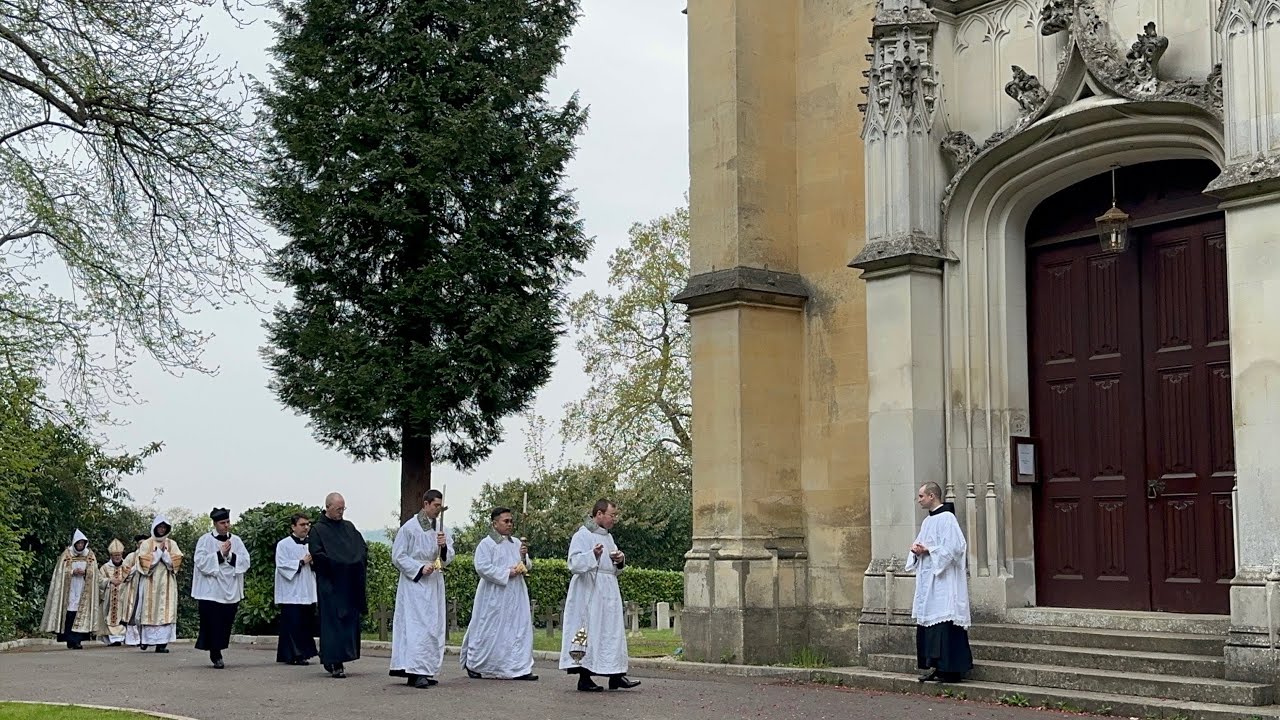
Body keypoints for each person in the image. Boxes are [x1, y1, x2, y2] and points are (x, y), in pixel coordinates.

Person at [559, 499, 640, 692]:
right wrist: (592, 555)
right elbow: (574, 563)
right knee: (590, 631)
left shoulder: (608, 537)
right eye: (612, 515)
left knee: (611, 632)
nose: (614, 519)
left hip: (608, 590)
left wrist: (619, 560)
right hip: (589, 591)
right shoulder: (582, 535)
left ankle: (616, 675)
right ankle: (584, 679)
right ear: (599, 514)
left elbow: (613, 568)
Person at [459, 507, 537, 681]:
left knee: (517, 628)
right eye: (506, 521)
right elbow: (482, 567)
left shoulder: (516, 543)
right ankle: (478, 664)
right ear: (495, 523)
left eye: (511, 521)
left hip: (515, 593)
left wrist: (524, 559)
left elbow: (527, 565)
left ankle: (517, 667)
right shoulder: (486, 544)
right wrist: (506, 572)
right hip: (494, 593)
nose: (510, 524)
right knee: (489, 628)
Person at [908, 481, 973, 683]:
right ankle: (937, 666)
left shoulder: (947, 519)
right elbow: (923, 543)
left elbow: (956, 548)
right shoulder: (928, 521)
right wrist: (916, 549)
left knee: (945, 622)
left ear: (932, 496)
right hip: (930, 580)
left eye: (921, 496)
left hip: (944, 581)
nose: (919, 500)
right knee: (930, 621)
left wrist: (929, 550)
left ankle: (951, 669)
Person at [390, 489, 454, 689]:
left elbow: (449, 556)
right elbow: (398, 555)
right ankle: (415, 671)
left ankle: (426, 669)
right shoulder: (409, 528)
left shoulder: (442, 530)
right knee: (417, 626)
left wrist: (443, 547)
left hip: (434, 582)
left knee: (433, 626)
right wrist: (418, 567)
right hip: (415, 584)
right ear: (425, 504)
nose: (438, 510)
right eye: (436, 506)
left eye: (440, 507)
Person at [309, 492, 368, 679]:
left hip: (349, 583)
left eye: (343, 509)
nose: (341, 512)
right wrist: (340, 565)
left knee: (348, 621)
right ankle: (333, 661)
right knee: (333, 622)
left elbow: (361, 548)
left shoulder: (349, 527)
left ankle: (345, 655)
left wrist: (355, 563)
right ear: (327, 507)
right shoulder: (318, 530)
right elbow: (318, 555)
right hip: (331, 584)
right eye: (338, 509)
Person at [193, 507, 250, 669]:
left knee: (225, 621)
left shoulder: (237, 541)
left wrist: (230, 556)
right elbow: (200, 562)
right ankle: (215, 652)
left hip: (230, 588)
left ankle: (219, 647)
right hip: (211, 590)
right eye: (222, 523)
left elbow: (245, 562)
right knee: (212, 621)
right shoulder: (205, 540)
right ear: (215, 523)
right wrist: (219, 555)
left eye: (228, 522)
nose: (226, 525)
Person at [130, 515, 184, 652]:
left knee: (165, 611)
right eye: (159, 527)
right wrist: (158, 555)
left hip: (167, 583)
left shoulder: (171, 544)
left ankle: (162, 644)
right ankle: (145, 640)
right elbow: (142, 562)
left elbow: (176, 562)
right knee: (148, 610)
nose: (161, 529)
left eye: (164, 527)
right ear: (155, 527)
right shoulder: (147, 544)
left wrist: (166, 557)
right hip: (149, 581)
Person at [40, 529, 100, 649]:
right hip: (70, 588)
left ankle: (77, 640)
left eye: (82, 544)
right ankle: (69, 639)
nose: (80, 546)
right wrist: (72, 572)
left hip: (83, 588)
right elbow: (60, 572)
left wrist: (86, 572)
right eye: (78, 543)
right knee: (70, 613)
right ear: (75, 543)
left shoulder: (90, 555)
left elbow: (94, 572)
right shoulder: (67, 554)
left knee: (80, 612)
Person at [275, 512, 319, 665]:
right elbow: (281, 565)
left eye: (308, 524)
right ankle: (292, 654)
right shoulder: (284, 544)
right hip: (291, 591)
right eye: (302, 524)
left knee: (306, 623)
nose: (306, 527)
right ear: (293, 526)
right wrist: (301, 562)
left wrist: (314, 563)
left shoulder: (312, 543)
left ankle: (304, 652)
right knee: (292, 623)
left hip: (307, 589)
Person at [98, 539, 132, 645]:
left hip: (124, 598)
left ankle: (121, 638)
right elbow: (99, 581)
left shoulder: (126, 567)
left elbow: (132, 579)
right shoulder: (105, 568)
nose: (117, 557)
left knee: (123, 617)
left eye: (119, 555)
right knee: (110, 618)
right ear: (111, 556)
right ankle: (112, 639)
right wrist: (109, 581)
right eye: (115, 555)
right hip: (109, 599)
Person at [121, 534, 149, 648]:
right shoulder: (131, 556)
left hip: (145, 587)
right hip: (132, 587)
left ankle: (143, 639)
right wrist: (135, 568)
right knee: (132, 612)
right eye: (140, 543)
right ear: (137, 545)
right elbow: (124, 571)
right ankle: (131, 639)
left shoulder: (149, 556)